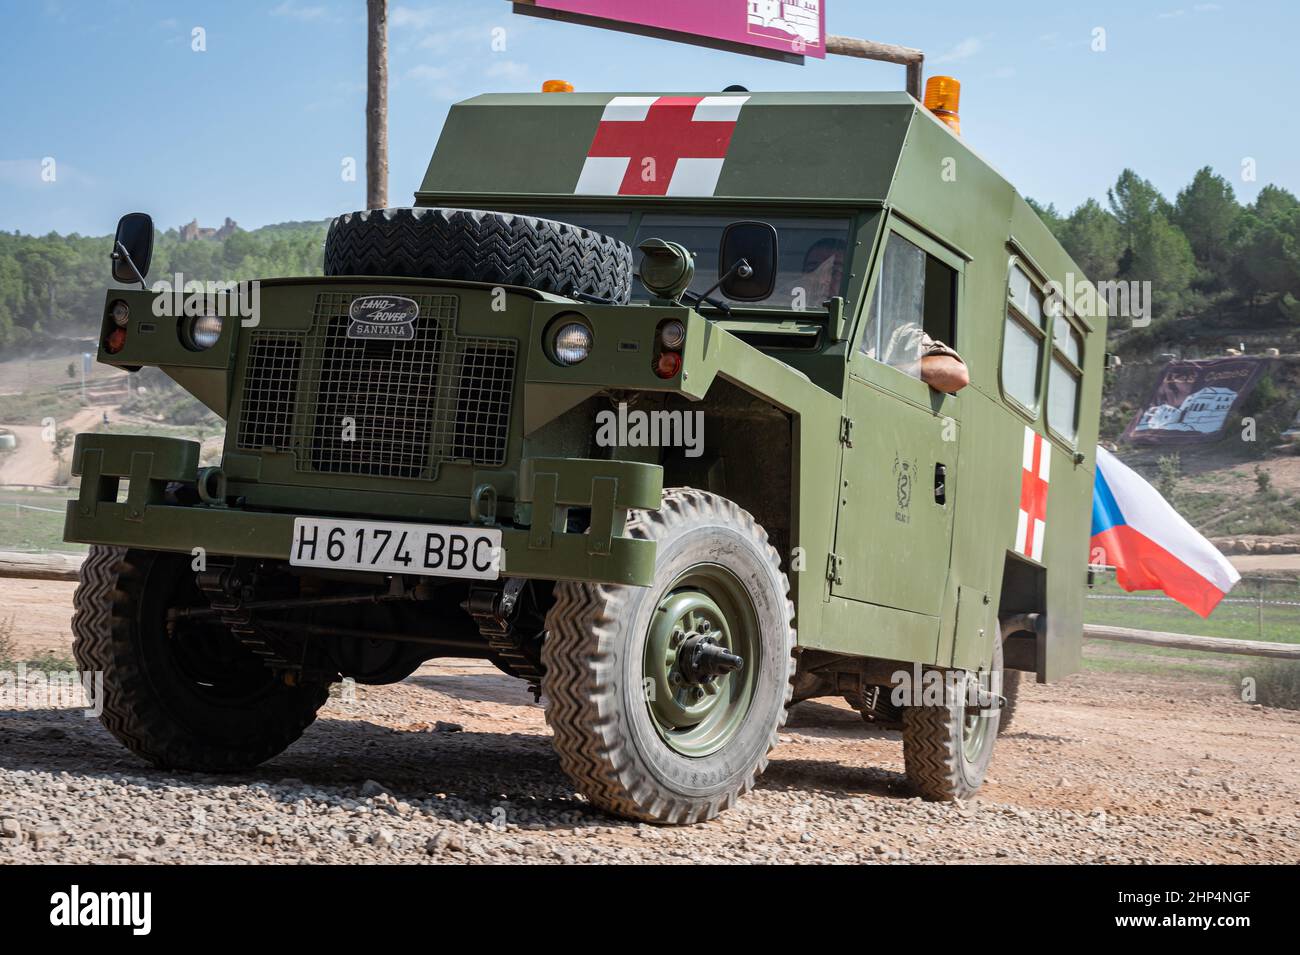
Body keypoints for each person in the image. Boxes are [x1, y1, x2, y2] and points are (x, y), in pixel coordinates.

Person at [799, 239, 970, 395]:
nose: (822, 280)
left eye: (835, 271)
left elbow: (956, 373)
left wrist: (883, 373)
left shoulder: (885, 332)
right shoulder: (784, 323)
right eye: (813, 269)